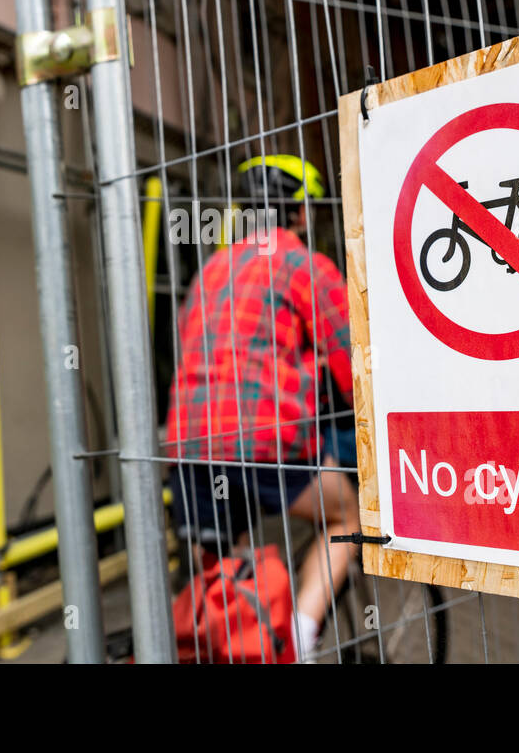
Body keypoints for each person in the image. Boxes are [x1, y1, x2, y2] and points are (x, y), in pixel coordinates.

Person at [166, 154, 359, 662]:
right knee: (347, 518)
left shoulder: (212, 267)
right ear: (299, 213)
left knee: (224, 574)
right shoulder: (303, 264)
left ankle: (232, 640)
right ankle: (297, 638)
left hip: (189, 444)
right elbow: (353, 368)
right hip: (263, 438)